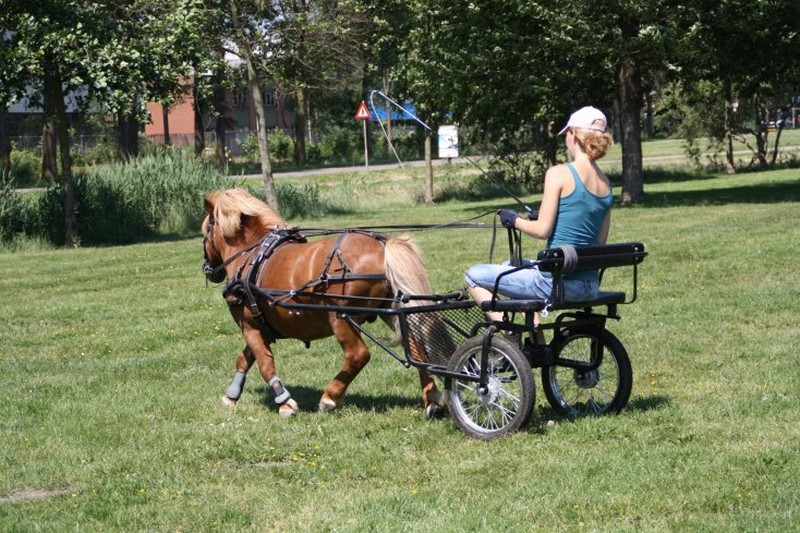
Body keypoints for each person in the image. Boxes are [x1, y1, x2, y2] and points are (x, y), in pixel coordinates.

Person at [465, 106, 615, 322]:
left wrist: (514, 220)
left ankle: (507, 332)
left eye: (566, 134)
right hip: (589, 286)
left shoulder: (558, 174)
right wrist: (553, 217)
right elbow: (598, 241)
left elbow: (542, 231)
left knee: (473, 275)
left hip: (554, 284)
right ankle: (536, 342)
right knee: (510, 266)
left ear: (573, 134)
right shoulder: (606, 184)